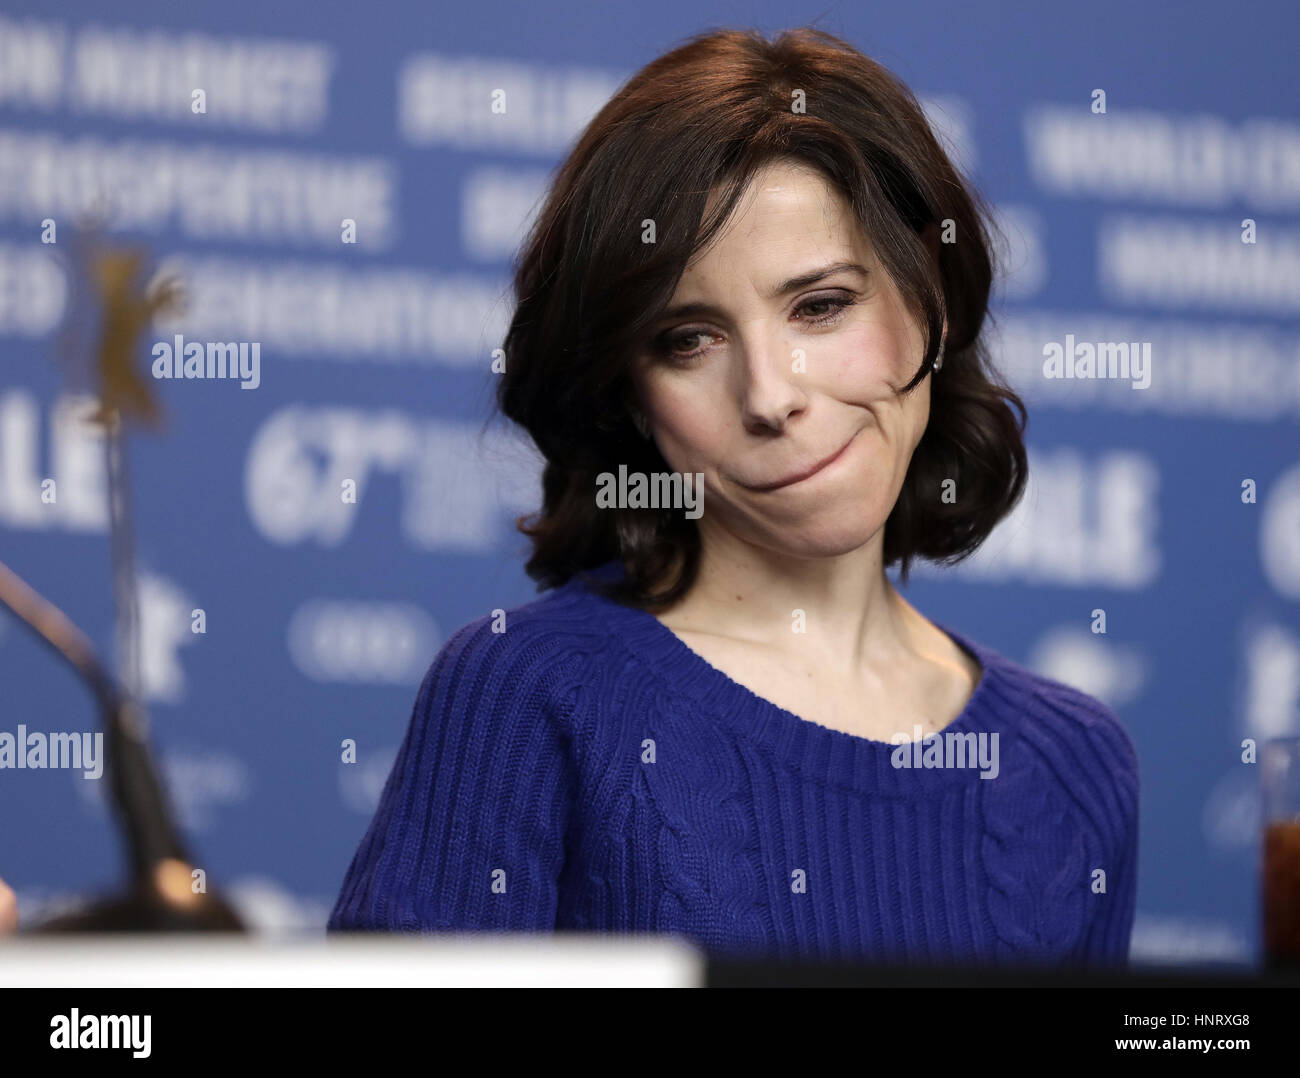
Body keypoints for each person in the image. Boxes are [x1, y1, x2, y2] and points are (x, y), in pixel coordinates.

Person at [327, 26, 1139, 965]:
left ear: (934, 298)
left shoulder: (1073, 765)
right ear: (630, 396)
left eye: (821, 306)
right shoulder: (525, 695)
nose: (769, 395)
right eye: (688, 339)